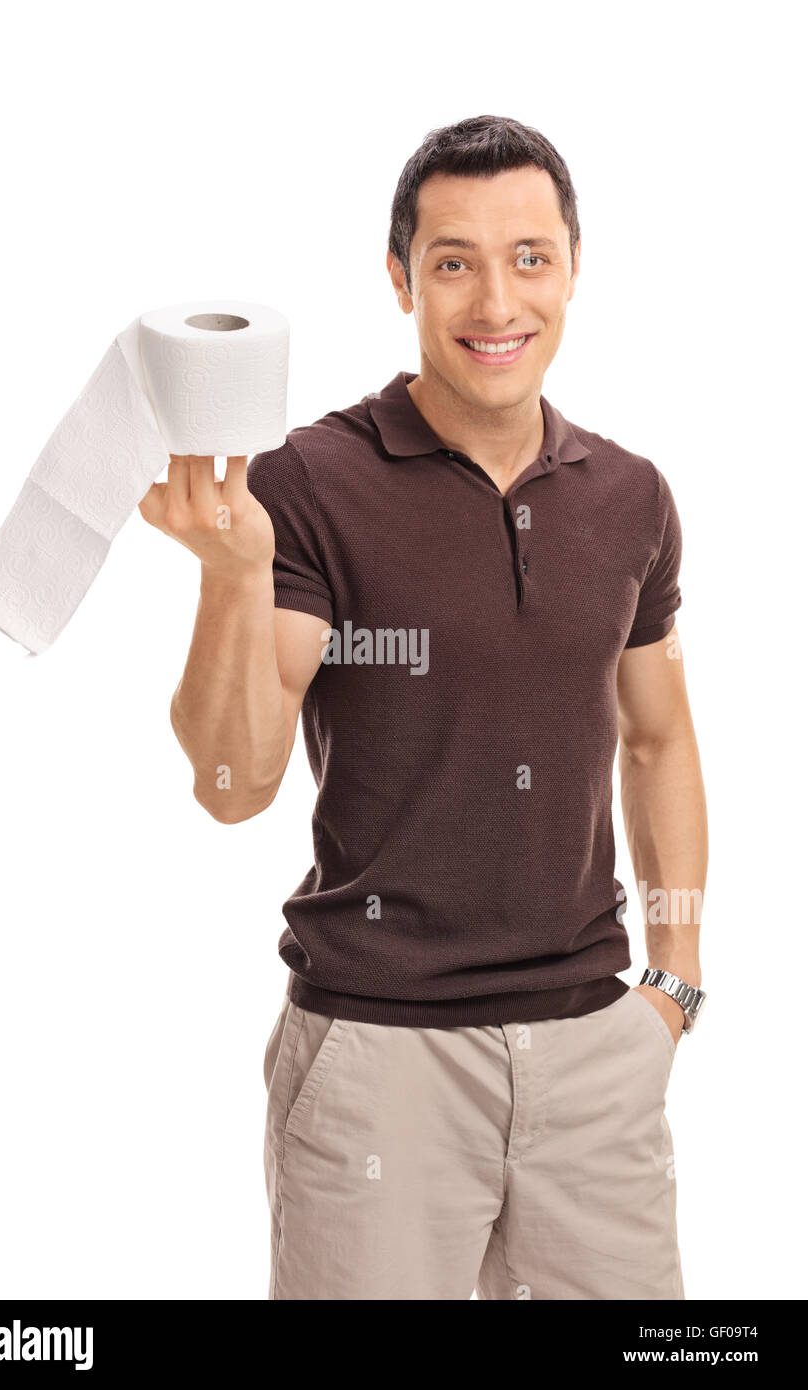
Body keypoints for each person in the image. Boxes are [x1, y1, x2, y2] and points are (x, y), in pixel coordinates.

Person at [138, 114, 708, 1301]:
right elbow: (231, 783)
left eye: (529, 257)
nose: (495, 301)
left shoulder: (630, 495)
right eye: (452, 261)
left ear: (572, 266)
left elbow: (657, 739)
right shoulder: (308, 482)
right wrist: (234, 572)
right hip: (376, 1060)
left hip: (594, 1052)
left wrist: (674, 977)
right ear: (399, 278)